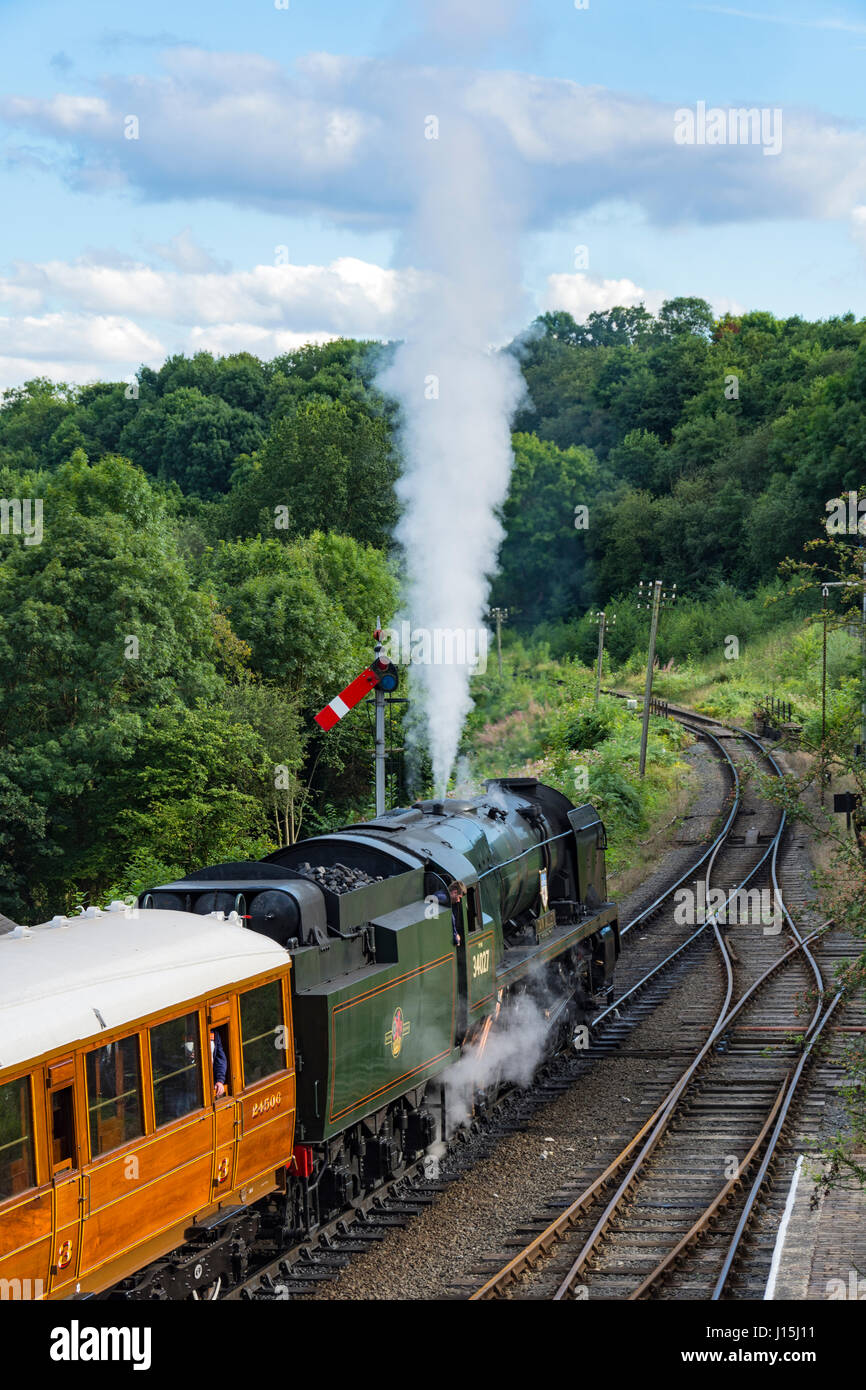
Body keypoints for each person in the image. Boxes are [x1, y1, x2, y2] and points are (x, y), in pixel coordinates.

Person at [434, 880, 467, 946]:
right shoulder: (443, 898)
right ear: (455, 892)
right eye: (459, 897)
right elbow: (450, 917)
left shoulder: (443, 895)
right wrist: (456, 937)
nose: (458, 901)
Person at [210, 1028, 228, 1098]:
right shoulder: (188, 1033)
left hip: (211, 1082)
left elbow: (220, 1059)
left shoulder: (214, 1033)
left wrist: (220, 1081)